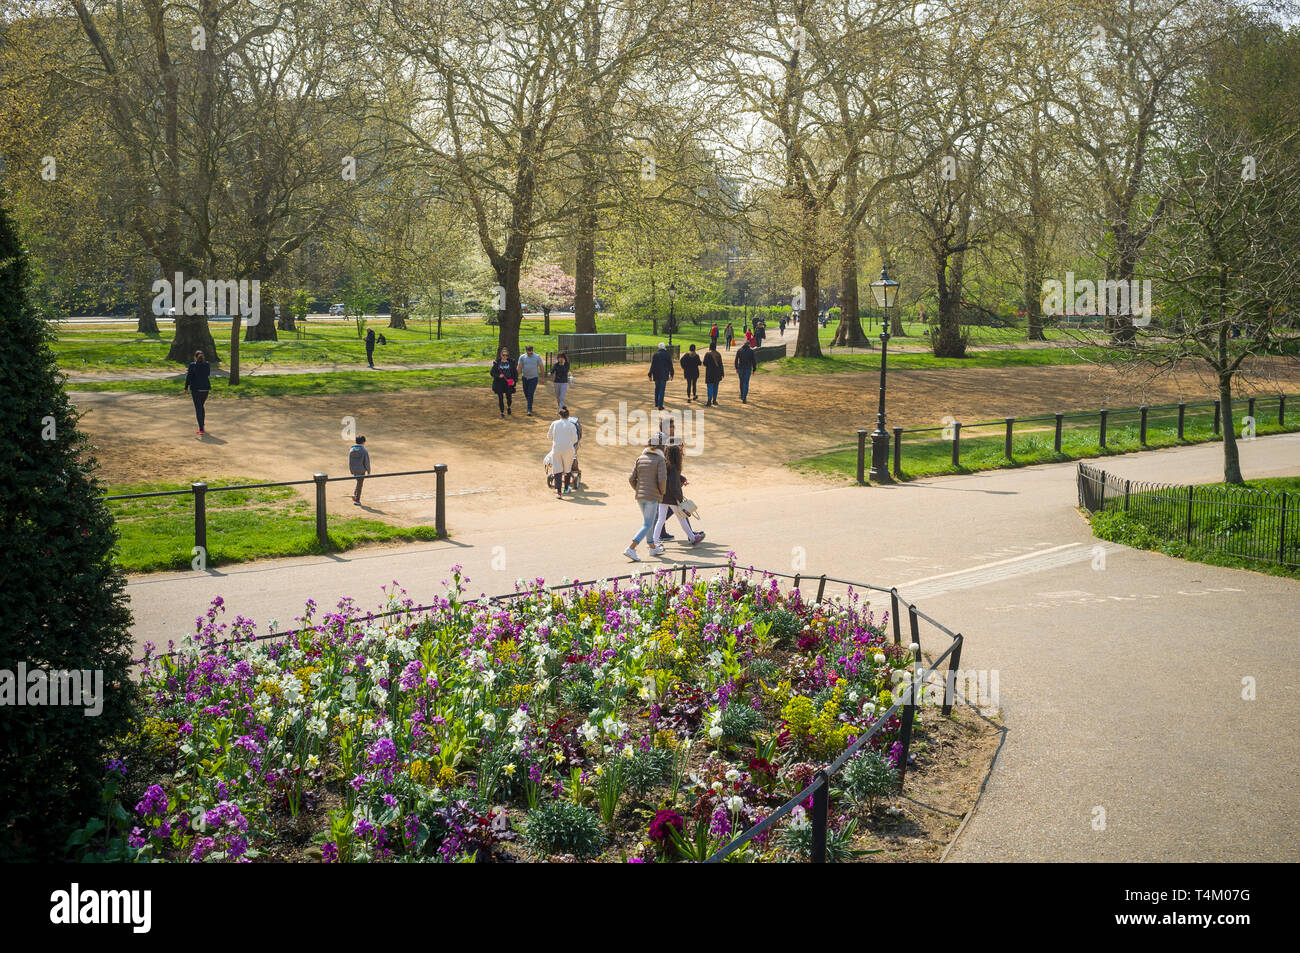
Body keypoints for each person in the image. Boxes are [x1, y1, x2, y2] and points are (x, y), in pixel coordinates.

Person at [624, 433, 667, 562]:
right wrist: (661, 492)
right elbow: (662, 480)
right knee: (648, 524)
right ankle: (631, 548)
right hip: (652, 496)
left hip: (640, 496)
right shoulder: (660, 460)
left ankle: (652, 547)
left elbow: (631, 478)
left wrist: (638, 489)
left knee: (647, 523)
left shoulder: (640, 458)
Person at [654, 444, 705, 546]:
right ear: (676, 455)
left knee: (661, 519)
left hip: (662, 496)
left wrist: (682, 479)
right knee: (681, 518)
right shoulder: (674, 467)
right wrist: (679, 498)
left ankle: (653, 542)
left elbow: (671, 478)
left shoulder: (664, 464)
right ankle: (692, 538)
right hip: (672, 498)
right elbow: (673, 484)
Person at [547, 407, 579, 499]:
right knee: (568, 469)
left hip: (557, 449)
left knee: (557, 469)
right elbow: (575, 439)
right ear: (568, 416)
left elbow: (549, 436)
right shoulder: (572, 425)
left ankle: (559, 493)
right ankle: (566, 488)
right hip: (568, 449)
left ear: (559, 415)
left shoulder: (554, 423)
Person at [183, 349, 212, 435]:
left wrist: (186, 387)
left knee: (198, 408)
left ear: (195, 357)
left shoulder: (192, 365)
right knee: (201, 407)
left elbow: (189, 377)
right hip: (205, 389)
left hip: (196, 389)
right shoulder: (207, 364)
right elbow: (208, 374)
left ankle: (201, 429)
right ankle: (202, 424)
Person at [490, 347, 518, 418]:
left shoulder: (511, 362)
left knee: (509, 397)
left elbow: (515, 373)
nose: (505, 357)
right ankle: (502, 412)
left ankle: (508, 407)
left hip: (508, 383)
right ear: (501, 355)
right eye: (503, 355)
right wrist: (498, 376)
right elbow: (492, 372)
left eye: (506, 355)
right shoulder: (497, 363)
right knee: (500, 398)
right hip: (499, 383)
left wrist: (514, 381)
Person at [518, 344, 545, 415]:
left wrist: (542, 377)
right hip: (525, 378)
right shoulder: (522, 357)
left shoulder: (537, 357)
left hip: (533, 378)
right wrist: (517, 376)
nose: (530, 353)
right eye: (528, 352)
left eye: (531, 352)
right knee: (526, 392)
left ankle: (529, 409)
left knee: (530, 393)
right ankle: (529, 402)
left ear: (533, 350)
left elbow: (541, 367)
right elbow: (519, 367)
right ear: (526, 351)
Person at [648, 342, 674, 410]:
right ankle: (660, 405)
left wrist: (650, 374)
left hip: (656, 374)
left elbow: (652, 366)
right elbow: (670, 365)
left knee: (657, 389)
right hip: (664, 374)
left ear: (659, 348)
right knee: (662, 390)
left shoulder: (655, 355)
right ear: (664, 347)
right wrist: (671, 374)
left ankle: (656, 403)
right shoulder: (667, 355)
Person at [349, 435, 371, 505]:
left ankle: (355, 494)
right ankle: (357, 500)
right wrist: (368, 470)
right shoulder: (364, 451)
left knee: (358, 482)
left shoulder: (351, 450)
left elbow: (350, 461)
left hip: (354, 469)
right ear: (363, 442)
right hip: (361, 470)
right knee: (360, 484)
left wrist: (351, 470)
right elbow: (366, 461)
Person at [734, 336, 757, 403]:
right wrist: (754, 369)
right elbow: (754, 361)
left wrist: (736, 368)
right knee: (746, 383)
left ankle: (741, 394)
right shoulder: (751, 351)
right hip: (748, 368)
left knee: (741, 382)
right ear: (749, 345)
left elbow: (736, 360)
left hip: (741, 368)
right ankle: (744, 397)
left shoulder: (739, 350)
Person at [703, 342, 724, 406]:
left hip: (709, 372)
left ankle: (709, 400)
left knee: (710, 386)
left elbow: (704, 363)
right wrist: (722, 373)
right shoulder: (718, 354)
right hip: (717, 373)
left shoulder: (707, 354)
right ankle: (714, 400)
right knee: (715, 387)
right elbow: (721, 364)